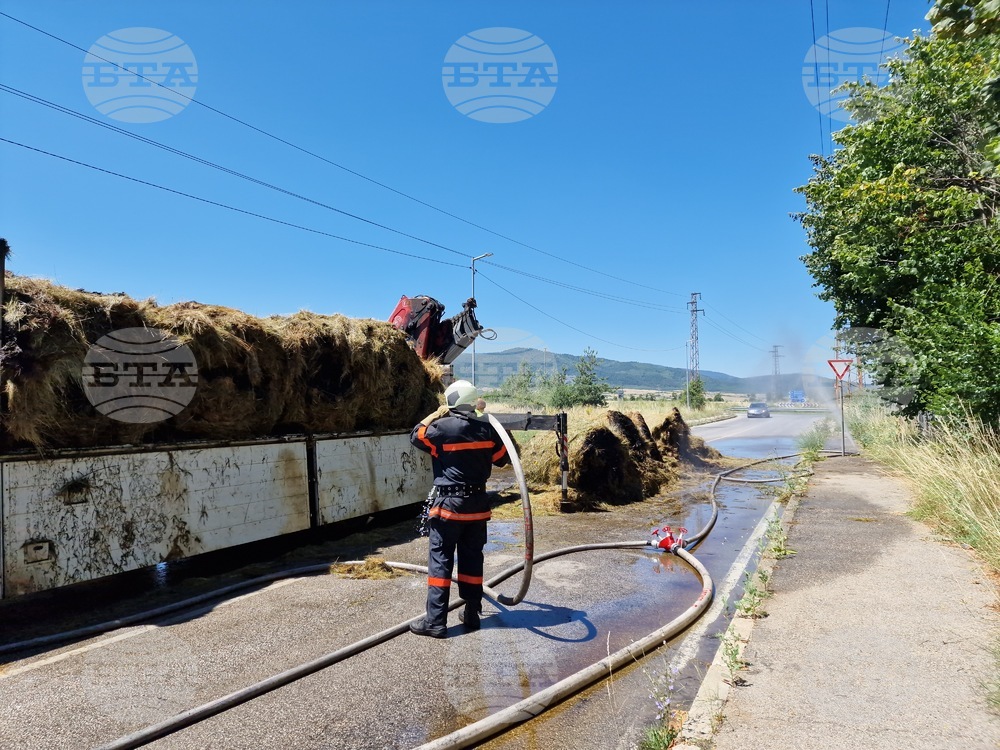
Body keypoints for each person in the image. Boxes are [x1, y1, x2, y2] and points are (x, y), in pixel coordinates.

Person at [409, 380, 510, 638]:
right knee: (472, 560)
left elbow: (416, 435)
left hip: (449, 508)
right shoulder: (487, 429)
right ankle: (472, 613)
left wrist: (436, 414)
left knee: (440, 562)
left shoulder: (441, 428)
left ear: (450, 401)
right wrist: (483, 420)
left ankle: (435, 622)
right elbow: (502, 459)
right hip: (477, 507)